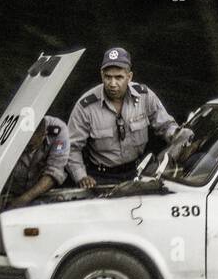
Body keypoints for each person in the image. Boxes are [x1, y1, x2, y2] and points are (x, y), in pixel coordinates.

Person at [0, 116, 69, 279]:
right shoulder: (8, 129)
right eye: (25, 138)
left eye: (33, 138)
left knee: (31, 255)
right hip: (5, 195)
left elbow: (54, 173)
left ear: (42, 132)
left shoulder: (57, 130)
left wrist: (24, 200)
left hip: (40, 198)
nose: (28, 143)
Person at [67, 47, 183, 187]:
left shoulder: (144, 96)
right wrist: (81, 176)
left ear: (129, 77)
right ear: (101, 75)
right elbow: (71, 147)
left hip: (138, 172)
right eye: (108, 77)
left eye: (119, 77)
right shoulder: (86, 106)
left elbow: (165, 126)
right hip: (102, 177)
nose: (112, 83)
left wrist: (177, 136)